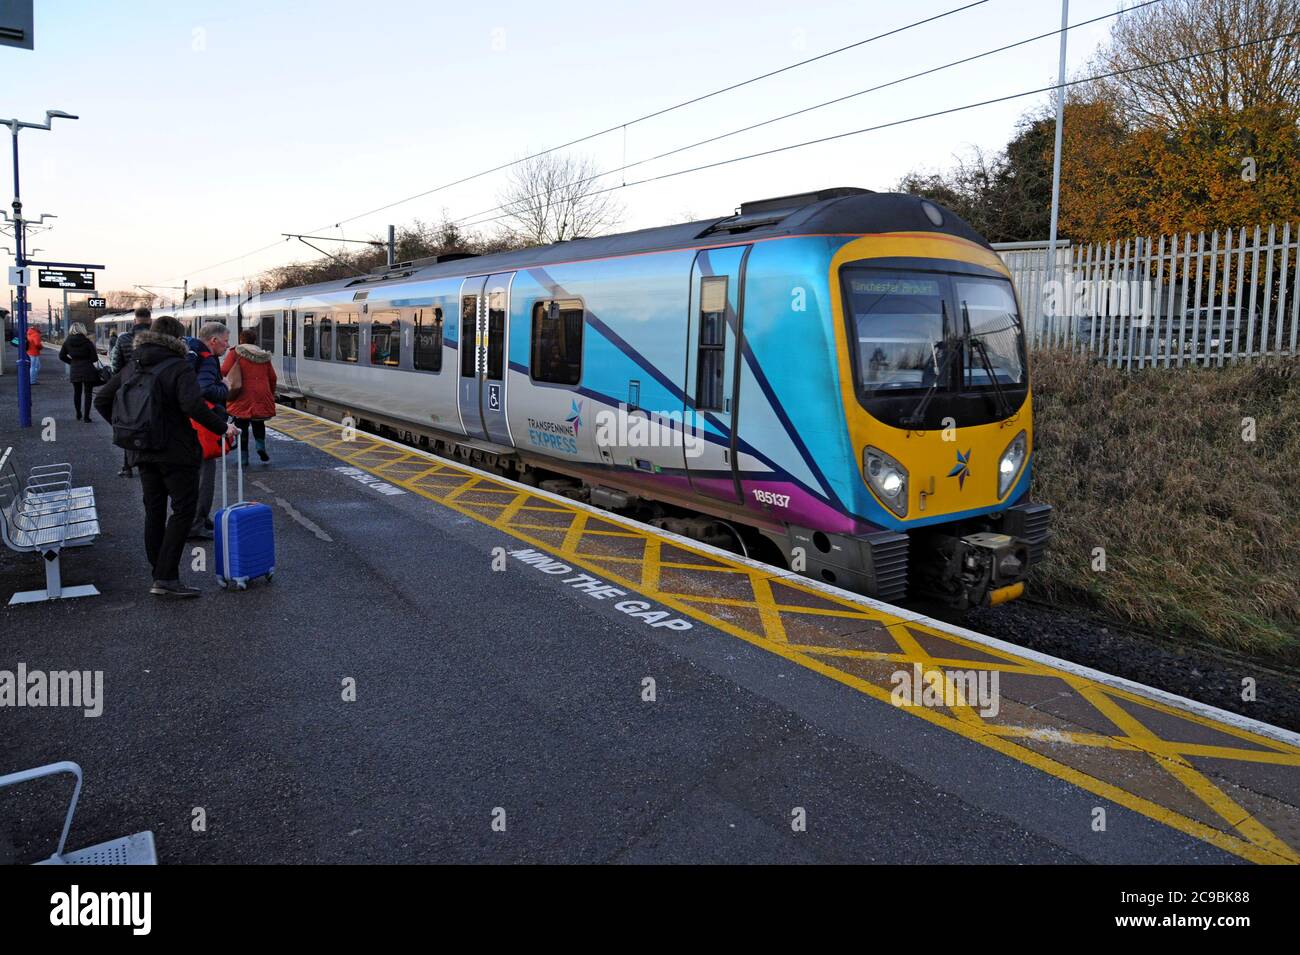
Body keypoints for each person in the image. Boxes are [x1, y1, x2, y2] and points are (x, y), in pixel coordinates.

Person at [95, 315, 238, 599]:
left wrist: (128, 428)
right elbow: (193, 405)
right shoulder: (178, 366)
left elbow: (101, 400)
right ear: (177, 340)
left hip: (142, 450)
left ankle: (158, 572)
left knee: (155, 511)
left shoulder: (132, 365)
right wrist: (224, 427)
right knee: (184, 510)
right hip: (175, 451)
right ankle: (166, 577)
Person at [184, 321, 231, 540]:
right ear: (213, 340)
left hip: (186, 425)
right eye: (225, 340)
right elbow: (204, 389)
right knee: (205, 475)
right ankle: (196, 523)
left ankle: (198, 517)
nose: (227, 345)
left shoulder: (190, 350)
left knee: (193, 475)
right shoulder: (208, 359)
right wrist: (226, 387)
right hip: (201, 425)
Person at [221, 328, 278, 466]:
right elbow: (273, 377)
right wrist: (270, 393)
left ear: (241, 340)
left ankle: (244, 457)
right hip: (261, 394)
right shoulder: (264, 356)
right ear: (255, 340)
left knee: (242, 426)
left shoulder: (235, 353)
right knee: (259, 422)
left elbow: (224, 371)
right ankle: (260, 447)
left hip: (242, 394)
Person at [109, 307, 153, 478]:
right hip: (151, 387)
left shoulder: (123, 339)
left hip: (128, 388)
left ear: (134, 321)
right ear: (150, 320)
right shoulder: (158, 339)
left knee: (129, 425)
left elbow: (115, 365)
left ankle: (127, 466)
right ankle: (148, 461)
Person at [58, 323, 100, 422]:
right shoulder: (87, 342)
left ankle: (78, 414)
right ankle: (86, 417)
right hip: (88, 370)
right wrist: (87, 360)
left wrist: (72, 362)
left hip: (75, 369)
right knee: (88, 393)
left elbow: (61, 356)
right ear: (82, 330)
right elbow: (95, 358)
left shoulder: (67, 342)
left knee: (77, 393)